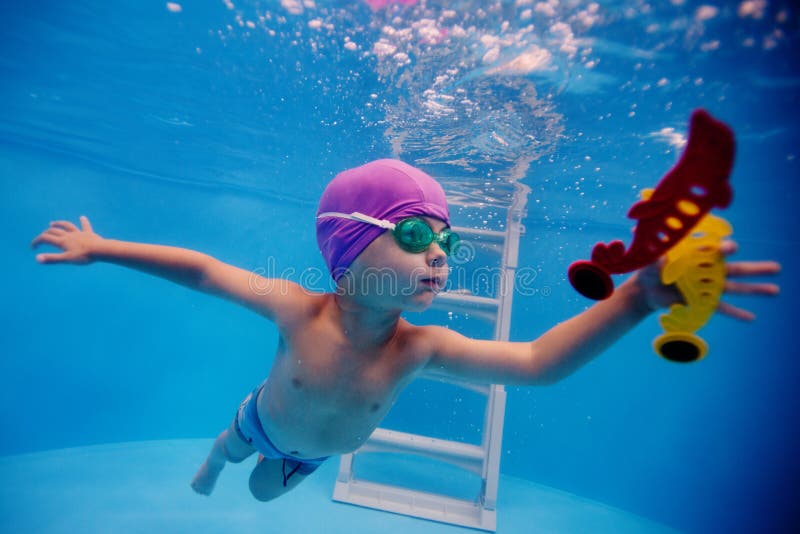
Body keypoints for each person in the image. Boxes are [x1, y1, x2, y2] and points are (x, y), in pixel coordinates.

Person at [30, 159, 780, 502]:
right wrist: (103, 249)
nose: (441, 258)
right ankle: (212, 463)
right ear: (348, 248)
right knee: (233, 450)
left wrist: (638, 300)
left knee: (265, 493)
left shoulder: (422, 347)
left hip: (312, 459)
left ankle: (257, 471)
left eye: (448, 245)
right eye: (419, 235)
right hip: (264, 418)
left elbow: (537, 363)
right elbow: (201, 270)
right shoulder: (297, 307)